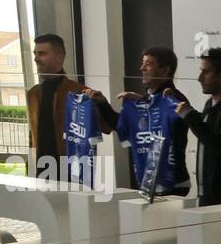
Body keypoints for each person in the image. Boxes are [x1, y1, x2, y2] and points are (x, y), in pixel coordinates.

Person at [82, 46, 191, 194]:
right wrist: (103, 104)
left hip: (173, 183)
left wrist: (145, 106)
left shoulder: (174, 99)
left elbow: (165, 128)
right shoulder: (148, 101)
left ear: (165, 70)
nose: (142, 68)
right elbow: (122, 127)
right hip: (151, 181)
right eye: (142, 63)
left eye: (148, 64)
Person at [170, 48, 221, 207]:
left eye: (206, 72)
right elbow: (206, 128)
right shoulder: (210, 105)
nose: (200, 78)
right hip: (208, 197)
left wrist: (190, 116)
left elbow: (218, 145)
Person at [25, 33, 83, 179]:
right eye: (35, 53)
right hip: (40, 172)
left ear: (60, 57)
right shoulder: (33, 94)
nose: (36, 59)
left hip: (71, 174)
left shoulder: (78, 92)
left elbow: (104, 127)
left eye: (42, 54)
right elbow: (32, 137)